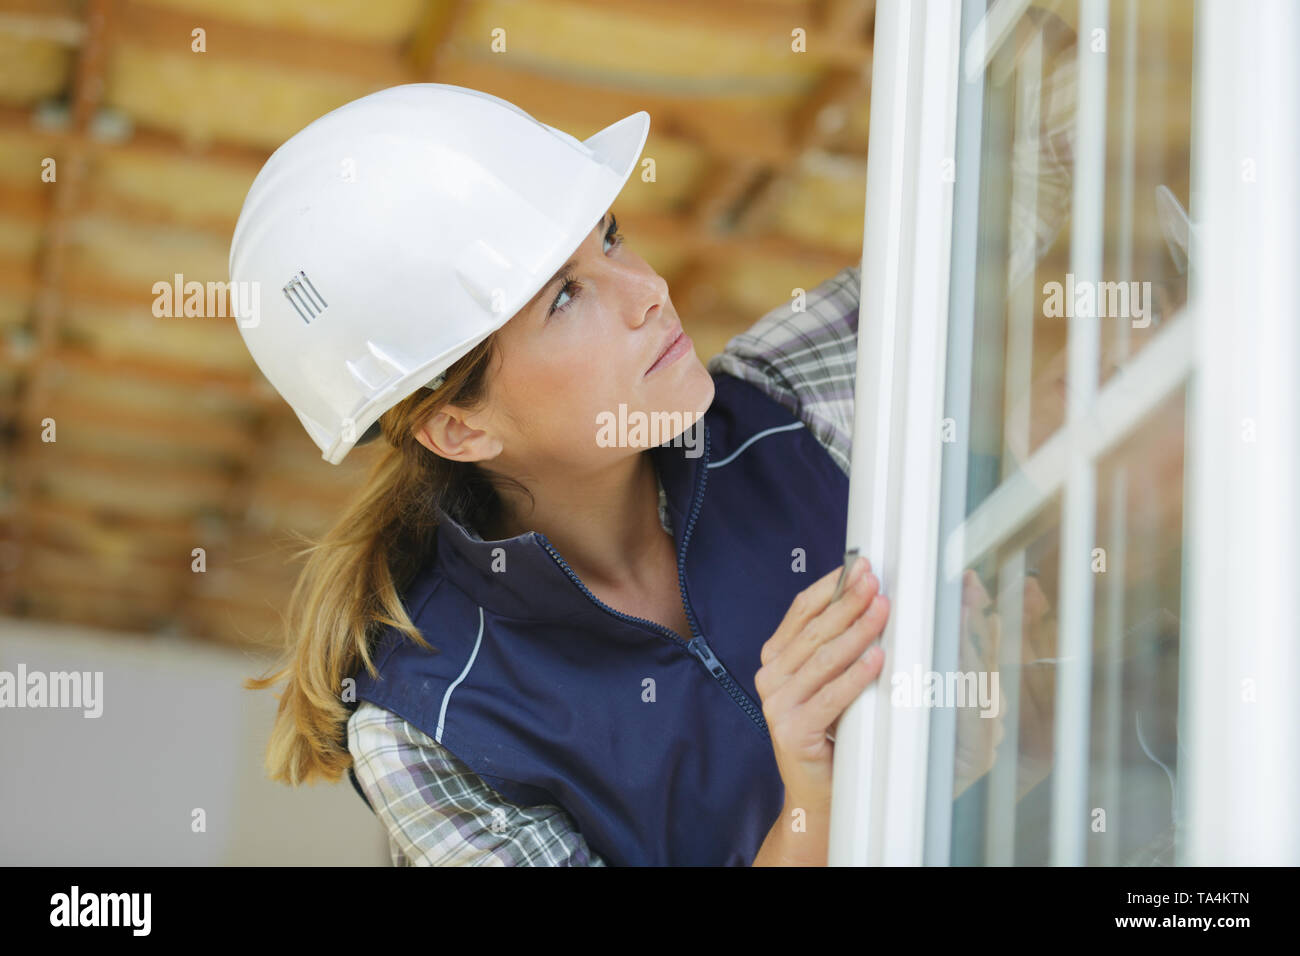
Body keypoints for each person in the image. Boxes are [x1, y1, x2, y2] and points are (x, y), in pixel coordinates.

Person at [233, 83, 889, 866]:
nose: (649, 291)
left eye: (609, 239)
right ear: (459, 428)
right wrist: (818, 801)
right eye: (567, 297)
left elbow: (1024, 181)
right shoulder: (428, 728)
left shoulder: (788, 396)